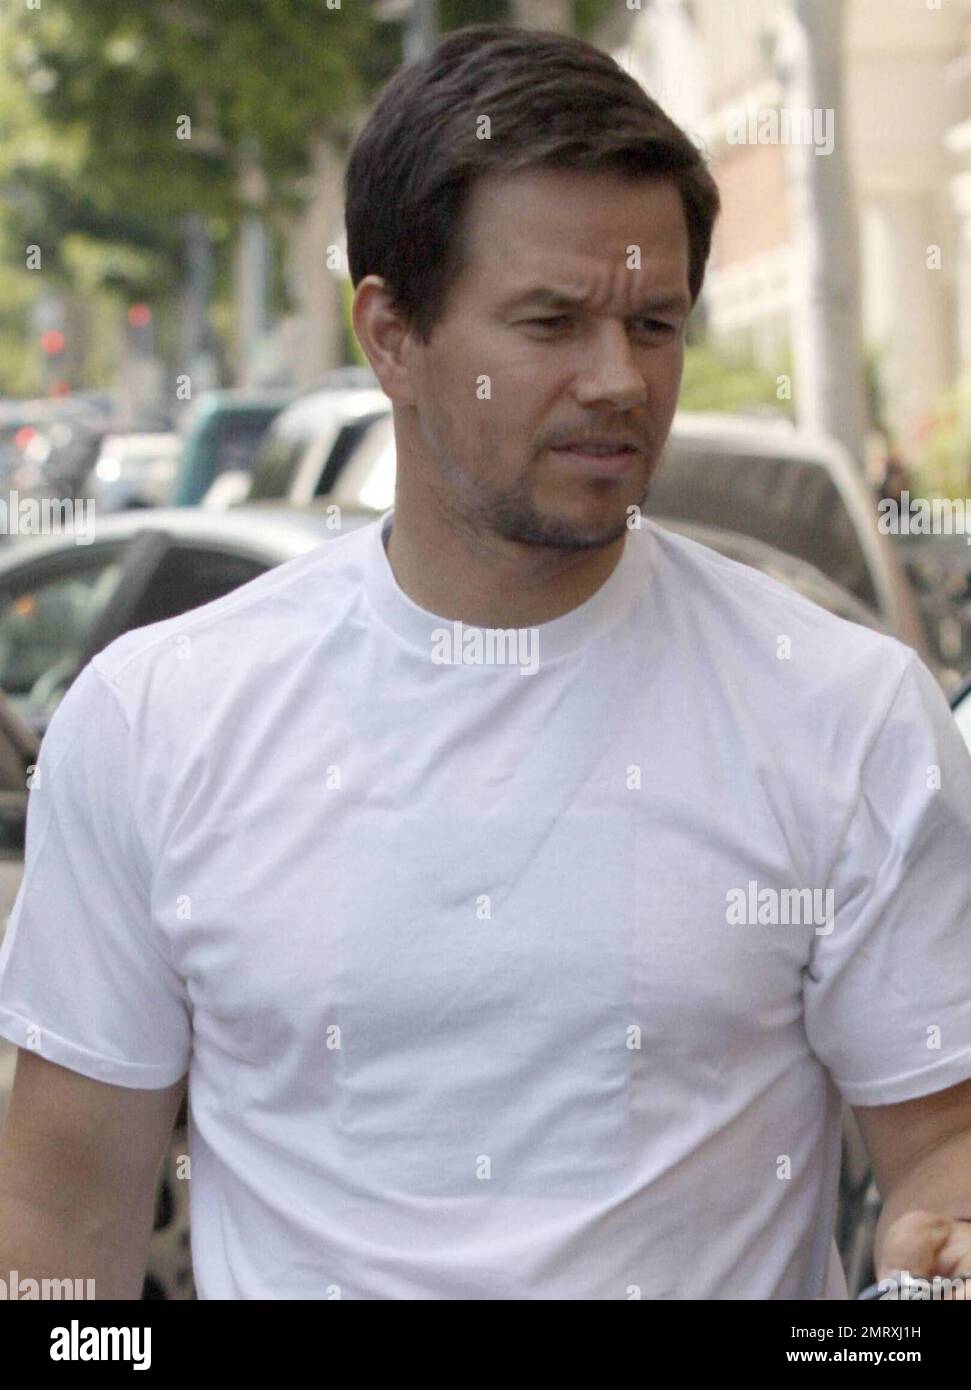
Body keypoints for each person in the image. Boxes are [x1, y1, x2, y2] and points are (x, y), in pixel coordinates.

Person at [1, 23, 971, 1302]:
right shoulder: (156, 719)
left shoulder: (843, 714)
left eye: (655, 322)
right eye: (552, 322)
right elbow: (62, 1228)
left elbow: (940, 1147)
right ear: (389, 335)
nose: (618, 380)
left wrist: (932, 1262)